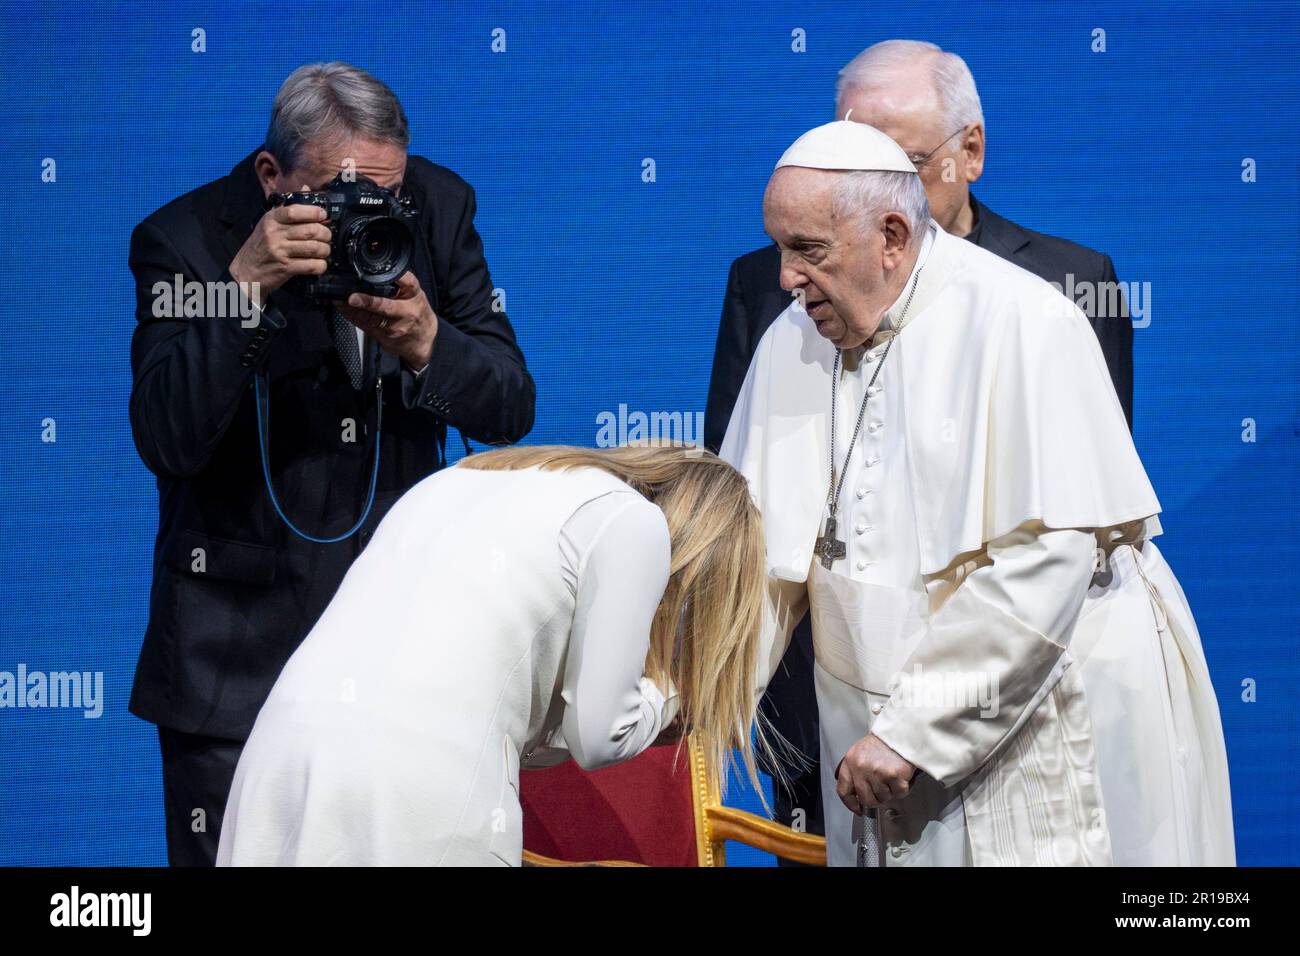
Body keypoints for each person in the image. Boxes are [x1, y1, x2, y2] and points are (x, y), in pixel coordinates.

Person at [721, 119, 1234, 865]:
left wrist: (913, 730)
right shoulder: (790, 341)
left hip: (1026, 704)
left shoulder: (1026, 320)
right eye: (779, 248)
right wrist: (689, 695)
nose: (786, 279)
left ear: (892, 236)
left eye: (808, 250)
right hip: (864, 733)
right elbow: (760, 566)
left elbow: (1043, 564)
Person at [127, 62, 535, 866]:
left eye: (388, 192)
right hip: (234, 664)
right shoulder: (183, 240)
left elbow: (510, 406)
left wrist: (429, 344)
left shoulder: (439, 205)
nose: (369, 213)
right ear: (271, 176)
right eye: (338, 195)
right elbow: (167, 439)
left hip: (400, 652)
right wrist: (241, 291)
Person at [217, 445, 775, 866]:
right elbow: (601, 737)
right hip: (416, 792)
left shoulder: (464, 478)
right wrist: (675, 690)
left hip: (279, 757)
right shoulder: (633, 521)